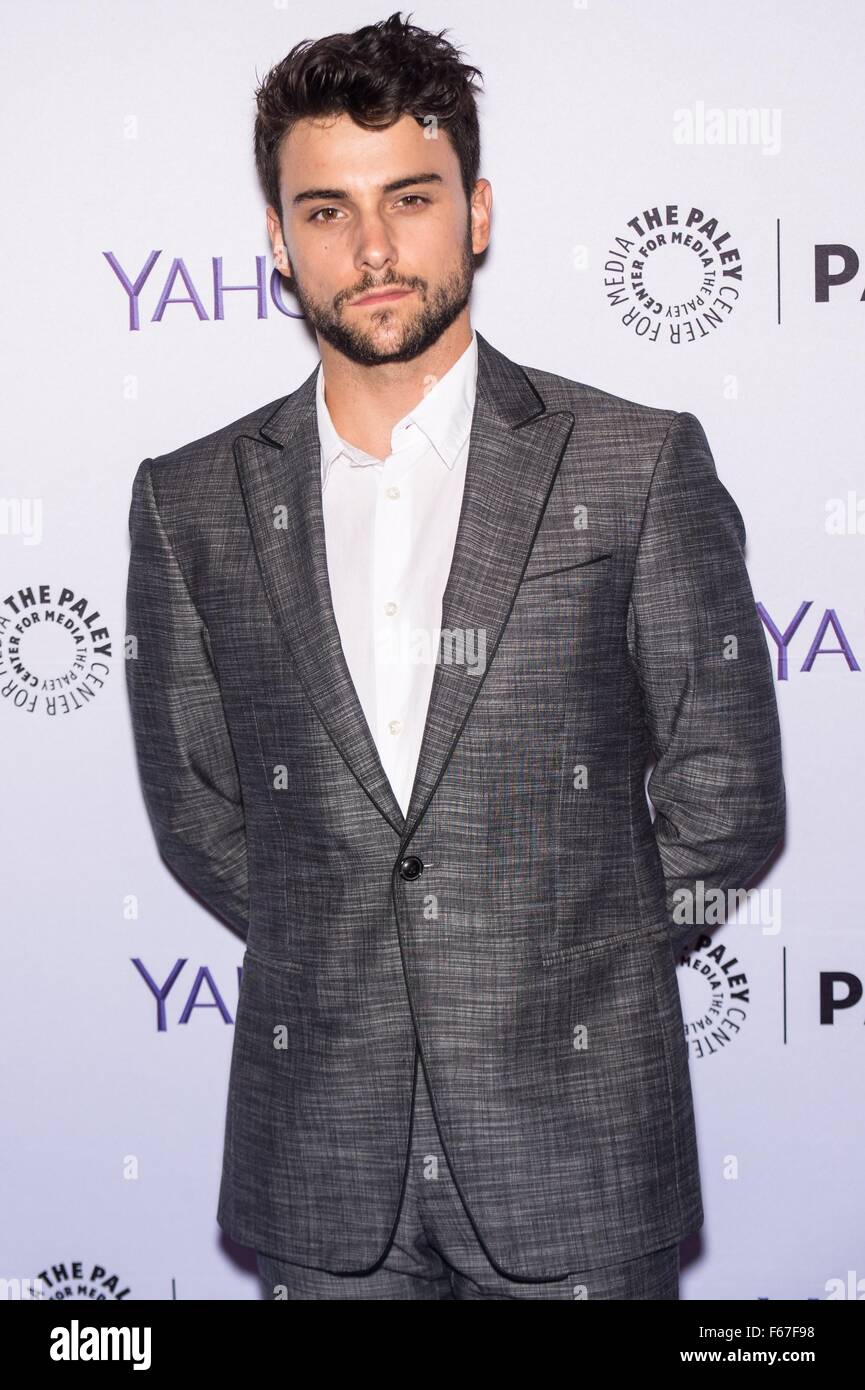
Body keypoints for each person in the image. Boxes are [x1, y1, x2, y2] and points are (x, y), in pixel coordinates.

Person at [125, 11, 785, 1300]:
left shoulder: (633, 461)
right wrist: (348, 950)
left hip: (580, 1144)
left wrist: (546, 956)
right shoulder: (188, 500)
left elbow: (728, 796)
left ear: (475, 211)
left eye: (409, 200)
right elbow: (202, 810)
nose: (372, 249)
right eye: (326, 211)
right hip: (319, 1154)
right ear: (277, 238)